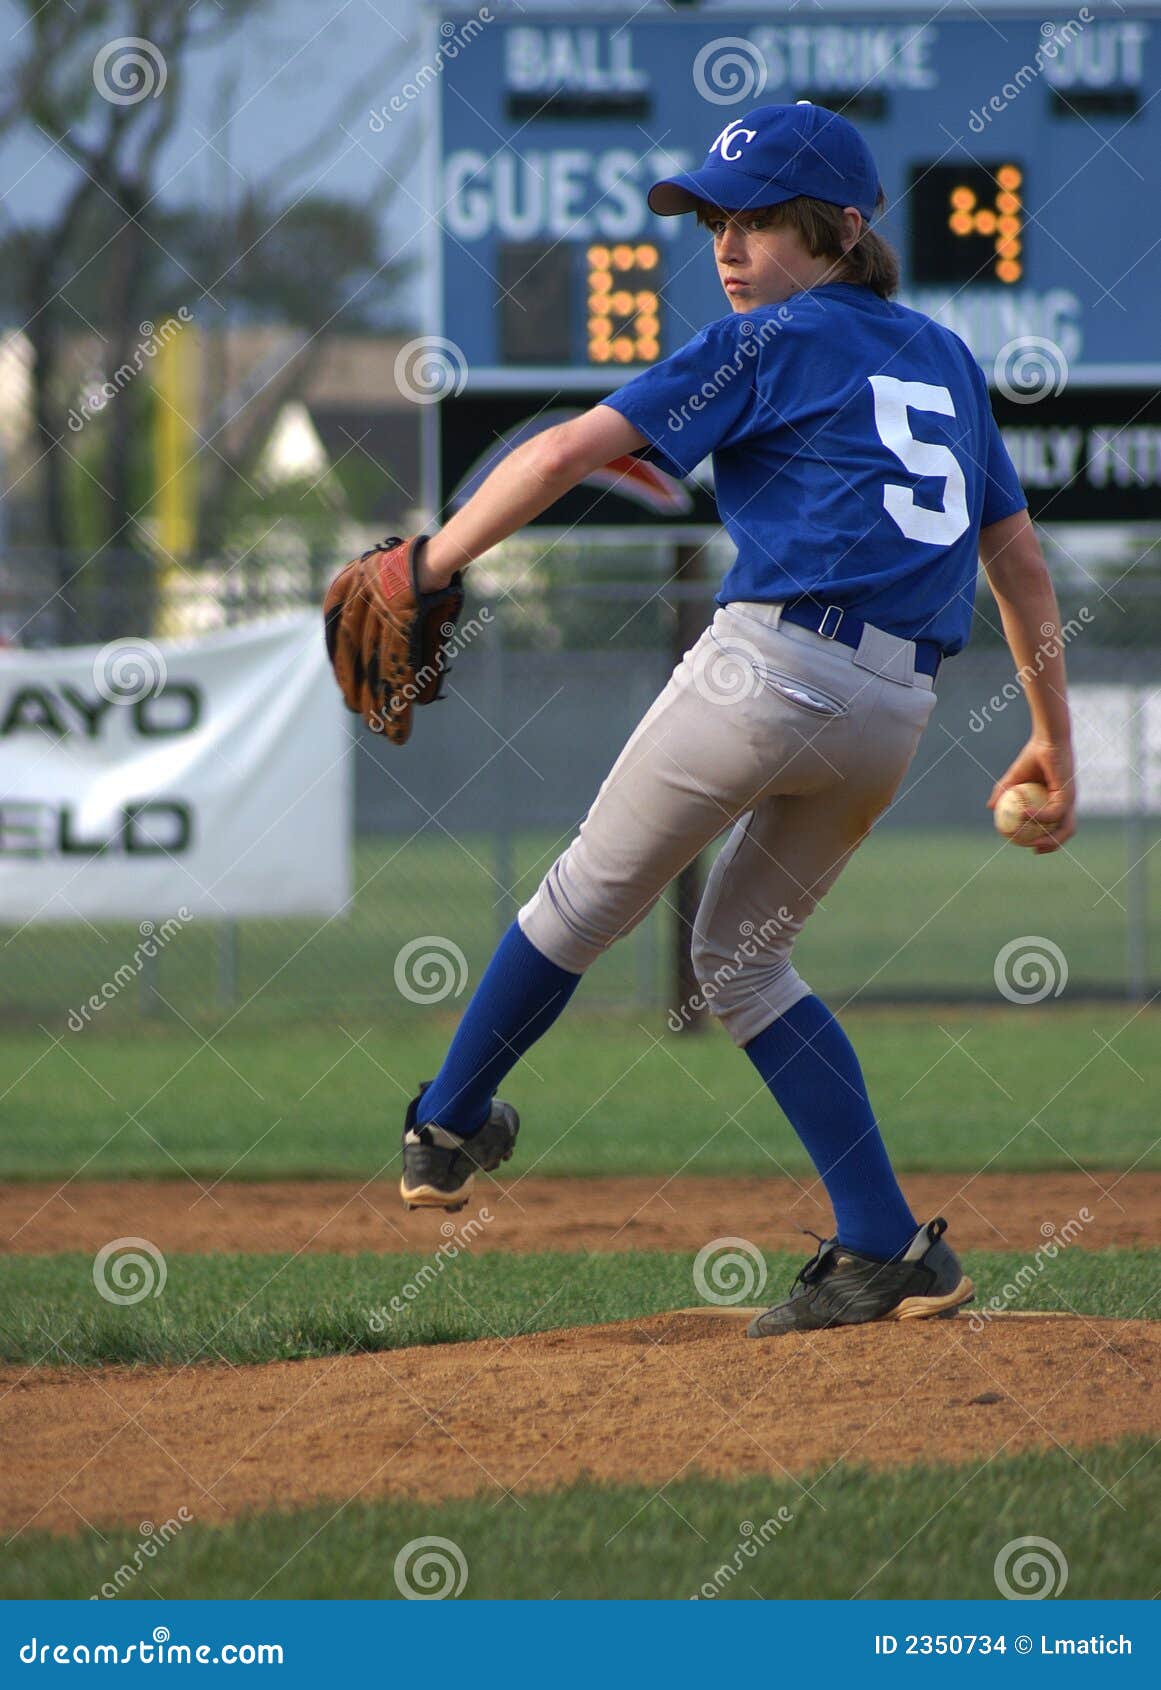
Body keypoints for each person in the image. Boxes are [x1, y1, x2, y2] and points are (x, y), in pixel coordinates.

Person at [399, 102, 1076, 1337]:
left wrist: (431, 563)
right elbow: (1020, 563)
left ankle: (446, 1119)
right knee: (743, 961)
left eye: (761, 216)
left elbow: (560, 458)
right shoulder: (945, 357)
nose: (727, 242)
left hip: (768, 671)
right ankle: (885, 1248)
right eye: (716, 217)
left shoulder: (763, 342)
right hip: (894, 711)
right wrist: (1052, 741)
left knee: (583, 898)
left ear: (842, 227)